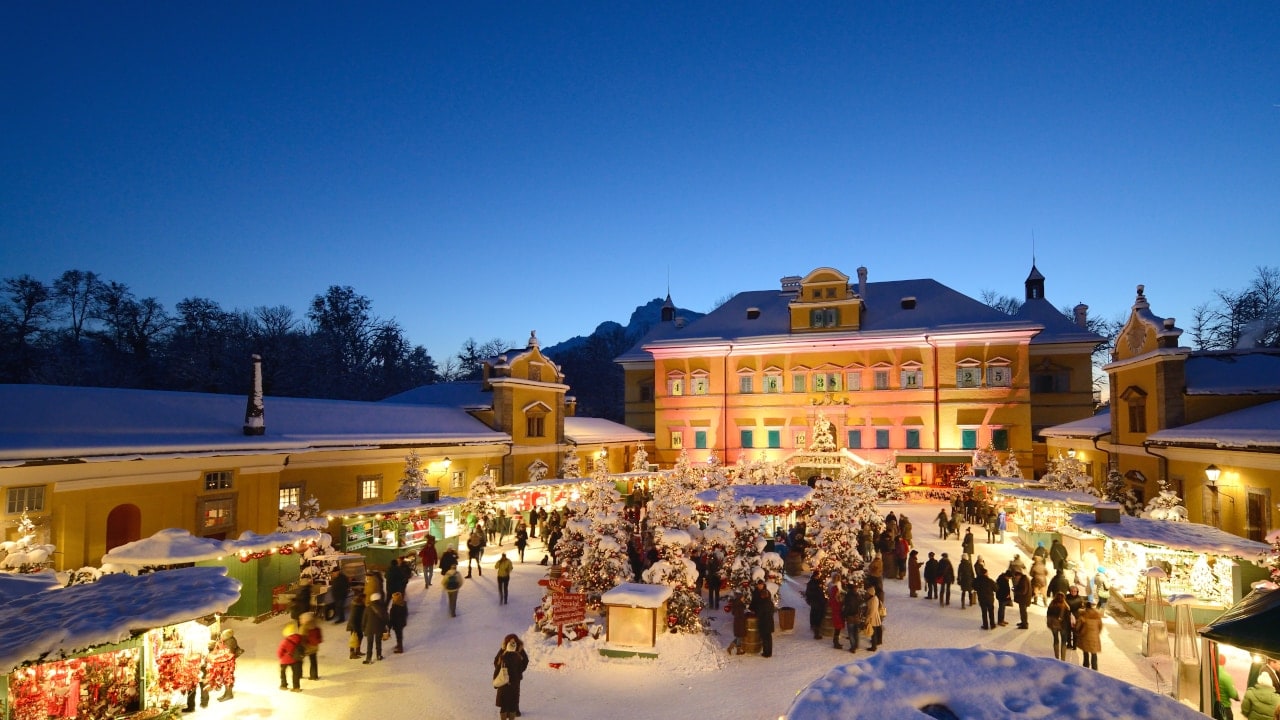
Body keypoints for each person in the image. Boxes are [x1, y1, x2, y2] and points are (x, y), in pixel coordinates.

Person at [494, 633, 530, 720]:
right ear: (506, 642)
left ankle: (515, 710)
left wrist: (519, 671)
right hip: (503, 678)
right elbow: (496, 662)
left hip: (515, 678)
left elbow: (525, 661)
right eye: (510, 641)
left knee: (514, 696)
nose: (512, 643)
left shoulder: (519, 650)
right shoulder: (503, 650)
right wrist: (501, 672)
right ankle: (506, 713)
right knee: (504, 698)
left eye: (514, 641)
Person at [213, 629, 244, 702]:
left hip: (228, 663)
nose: (221, 636)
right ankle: (226, 693)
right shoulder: (227, 640)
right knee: (225, 678)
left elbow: (227, 653)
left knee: (228, 678)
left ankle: (229, 694)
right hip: (225, 662)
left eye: (223, 635)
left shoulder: (230, 641)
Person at [749, 579, 776, 658]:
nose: (760, 586)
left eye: (761, 584)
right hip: (768, 621)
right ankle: (768, 651)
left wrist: (757, 613)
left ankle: (766, 652)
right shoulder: (768, 602)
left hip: (764, 621)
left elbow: (761, 611)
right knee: (768, 637)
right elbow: (754, 602)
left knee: (765, 637)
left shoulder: (765, 599)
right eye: (759, 584)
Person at [1075, 601, 1104, 670]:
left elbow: (1077, 627)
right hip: (1095, 637)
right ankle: (1094, 668)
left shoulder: (1083, 615)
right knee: (1094, 653)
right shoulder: (1097, 616)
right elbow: (1100, 626)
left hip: (1085, 637)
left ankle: (1086, 667)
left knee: (1086, 652)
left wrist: (1078, 632)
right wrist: (1097, 633)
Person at [277, 622, 304, 692]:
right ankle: (296, 687)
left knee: (283, 672)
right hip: (295, 659)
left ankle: (284, 685)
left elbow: (280, 651)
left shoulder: (285, 641)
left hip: (284, 660)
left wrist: (280, 657)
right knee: (295, 673)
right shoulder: (299, 638)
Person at [1046, 591, 1072, 660]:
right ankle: (1063, 658)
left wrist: (1049, 624)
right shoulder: (1066, 606)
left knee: (1055, 640)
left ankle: (1056, 657)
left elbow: (1048, 615)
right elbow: (1068, 618)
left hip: (1054, 625)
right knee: (1064, 641)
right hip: (1063, 626)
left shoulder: (1052, 605)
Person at [362, 592, 387, 663]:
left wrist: (363, 628)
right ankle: (379, 655)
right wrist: (386, 627)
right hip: (379, 628)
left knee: (369, 644)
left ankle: (368, 658)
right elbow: (385, 617)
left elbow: (364, 619)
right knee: (378, 642)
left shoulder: (368, 608)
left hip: (369, 628)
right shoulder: (382, 607)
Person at [299, 611, 323, 681]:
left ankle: (299, 674)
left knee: (299, 661)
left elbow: (301, 638)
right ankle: (314, 676)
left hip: (305, 647)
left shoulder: (303, 627)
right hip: (314, 647)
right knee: (313, 662)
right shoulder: (315, 626)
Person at [842, 584, 865, 653]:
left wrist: (844, 614)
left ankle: (853, 647)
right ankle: (857, 645)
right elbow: (861, 604)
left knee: (851, 633)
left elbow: (847, 607)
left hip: (850, 617)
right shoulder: (858, 595)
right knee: (856, 632)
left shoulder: (848, 596)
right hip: (857, 616)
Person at [1217, 654, 1240, 720]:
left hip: (1214, 707)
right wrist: (1236, 696)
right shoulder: (1226, 676)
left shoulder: (1211, 672)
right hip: (1224, 708)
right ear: (1224, 662)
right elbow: (1232, 694)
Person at [974, 566, 997, 630]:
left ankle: (985, 625)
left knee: (984, 612)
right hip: (990, 599)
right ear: (985, 573)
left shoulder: (977, 580)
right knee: (991, 612)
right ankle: (992, 625)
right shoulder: (989, 580)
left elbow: (974, 587)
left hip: (982, 598)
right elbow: (996, 589)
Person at [863, 580, 883, 651]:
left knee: (873, 632)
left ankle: (874, 646)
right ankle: (874, 644)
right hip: (874, 617)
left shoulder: (873, 600)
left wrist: (867, 619)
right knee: (874, 632)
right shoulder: (874, 598)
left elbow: (871, 611)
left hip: (873, 618)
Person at [804, 573, 826, 640]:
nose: (818, 577)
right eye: (817, 576)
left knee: (816, 616)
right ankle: (816, 633)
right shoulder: (812, 584)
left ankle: (815, 629)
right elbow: (810, 593)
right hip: (816, 602)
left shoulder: (818, 583)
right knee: (817, 617)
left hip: (818, 602)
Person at [826, 577, 846, 650]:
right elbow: (837, 606)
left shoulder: (833, 598)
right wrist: (841, 604)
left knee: (837, 629)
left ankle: (836, 642)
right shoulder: (836, 600)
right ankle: (836, 642)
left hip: (837, 614)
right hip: (837, 615)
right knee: (837, 629)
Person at [347, 592, 366, 659]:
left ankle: (357, 651)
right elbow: (353, 618)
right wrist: (354, 629)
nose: (365, 600)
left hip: (358, 625)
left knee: (360, 636)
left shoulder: (360, 605)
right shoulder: (357, 607)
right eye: (364, 599)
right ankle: (352, 653)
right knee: (354, 638)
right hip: (354, 625)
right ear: (361, 598)